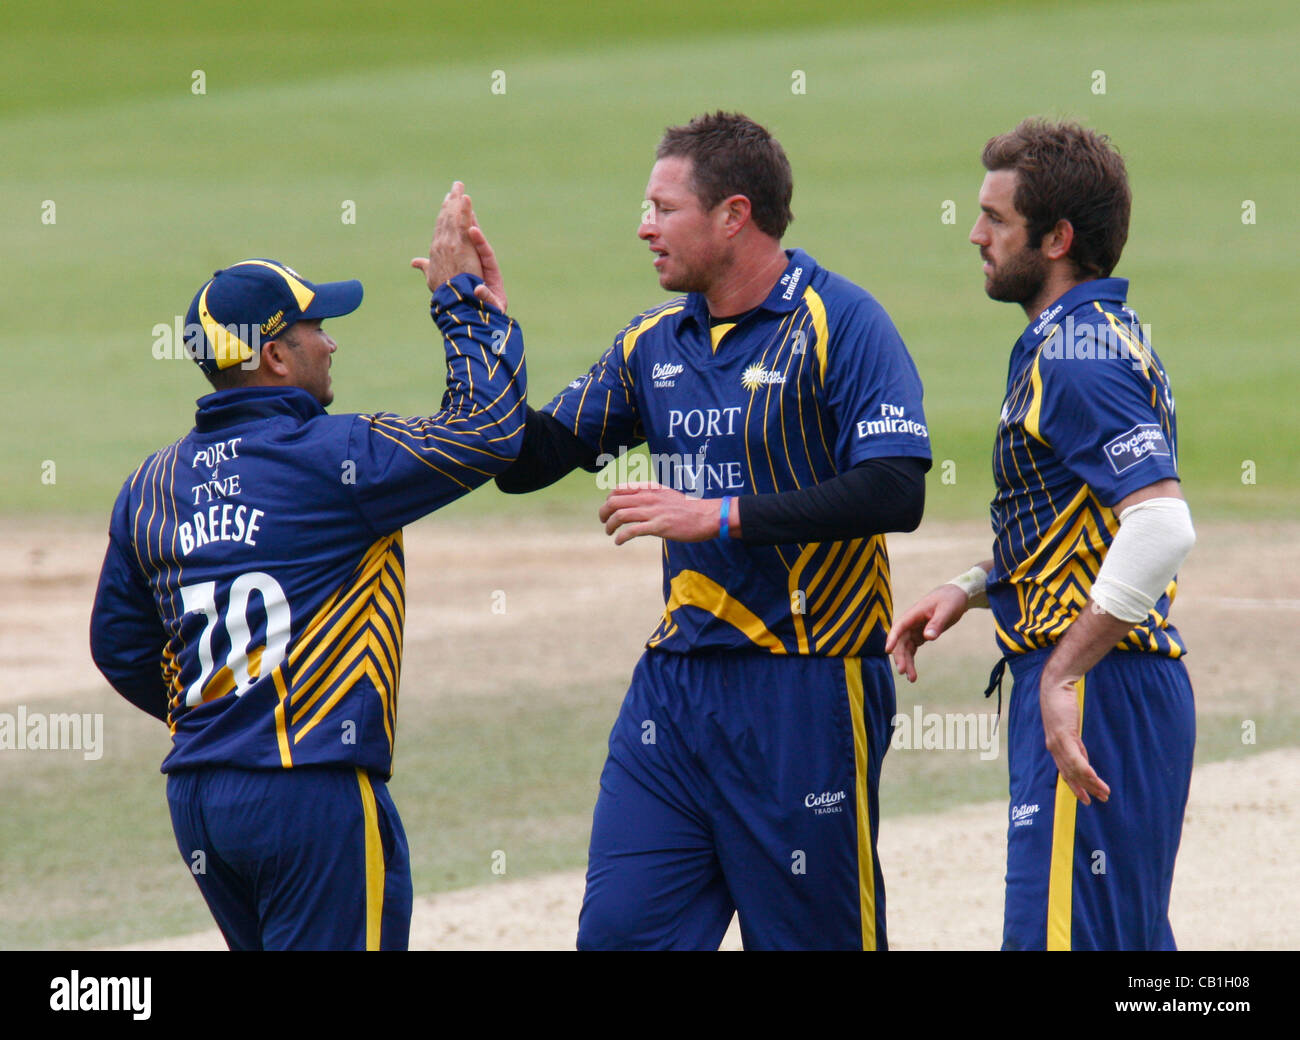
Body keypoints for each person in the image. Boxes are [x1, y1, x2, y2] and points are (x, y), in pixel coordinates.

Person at [490, 111, 931, 950]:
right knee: (619, 935)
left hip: (807, 687)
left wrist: (717, 516)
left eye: (664, 207)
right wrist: (484, 333)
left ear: (734, 215)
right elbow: (529, 459)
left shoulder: (843, 322)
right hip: (677, 694)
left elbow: (894, 489)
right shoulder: (653, 341)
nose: (644, 227)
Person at [88, 184, 526, 951]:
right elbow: (490, 432)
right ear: (274, 356)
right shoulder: (332, 458)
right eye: (316, 326)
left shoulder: (150, 483)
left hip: (200, 799)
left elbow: (119, 647)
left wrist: (225, 714)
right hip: (309, 793)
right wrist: (464, 302)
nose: (331, 341)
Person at [886, 119, 1196, 951]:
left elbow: (1161, 525)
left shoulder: (1074, 356)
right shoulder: (1097, 337)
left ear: (1056, 238)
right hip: (1126, 688)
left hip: (1098, 685)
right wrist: (976, 584)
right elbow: (1083, 515)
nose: (975, 233)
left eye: (996, 218)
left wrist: (1063, 673)